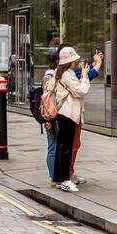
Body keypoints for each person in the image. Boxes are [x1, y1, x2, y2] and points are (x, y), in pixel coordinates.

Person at [50, 46, 90, 193]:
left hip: (61, 112)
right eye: (74, 59)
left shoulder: (58, 72)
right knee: (66, 148)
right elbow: (80, 91)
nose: (77, 61)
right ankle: (66, 180)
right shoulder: (67, 74)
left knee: (61, 146)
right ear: (70, 61)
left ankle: (58, 179)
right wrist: (85, 76)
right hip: (68, 113)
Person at [67, 47, 103, 184]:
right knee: (73, 145)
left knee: (72, 144)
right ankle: (66, 175)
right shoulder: (67, 74)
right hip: (71, 114)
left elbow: (83, 73)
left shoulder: (67, 72)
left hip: (70, 113)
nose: (76, 61)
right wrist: (98, 64)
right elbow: (82, 88)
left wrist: (94, 64)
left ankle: (65, 174)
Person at [41, 46, 60, 182]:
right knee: (53, 146)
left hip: (52, 115)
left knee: (54, 146)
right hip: (51, 116)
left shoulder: (52, 74)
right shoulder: (50, 76)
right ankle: (54, 177)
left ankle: (55, 175)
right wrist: (48, 119)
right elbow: (47, 98)